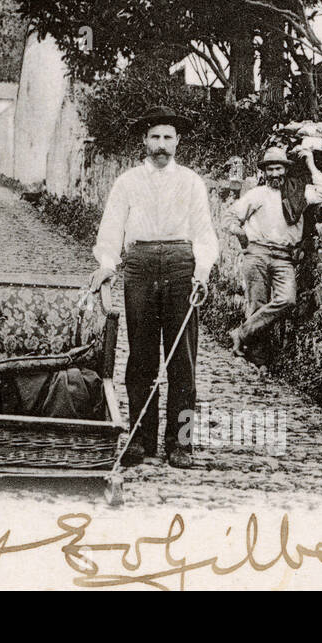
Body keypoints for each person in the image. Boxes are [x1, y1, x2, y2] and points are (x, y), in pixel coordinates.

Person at [89, 106, 218, 469]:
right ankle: (140, 439)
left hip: (181, 264)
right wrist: (107, 265)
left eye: (168, 137)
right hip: (141, 265)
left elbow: (204, 233)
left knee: (184, 361)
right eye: (155, 137)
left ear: (178, 141)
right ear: (144, 141)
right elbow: (112, 228)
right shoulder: (127, 181)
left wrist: (202, 272)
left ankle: (182, 443)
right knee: (141, 357)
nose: (161, 144)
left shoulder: (192, 182)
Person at [226, 146, 322, 360]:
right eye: (270, 169)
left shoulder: (299, 191)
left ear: (286, 169)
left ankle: (241, 333)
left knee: (287, 299)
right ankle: (258, 360)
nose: (275, 174)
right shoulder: (256, 194)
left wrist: (311, 163)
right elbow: (231, 217)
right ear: (264, 172)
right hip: (257, 253)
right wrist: (241, 235)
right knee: (257, 305)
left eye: (279, 169)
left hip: (284, 256)